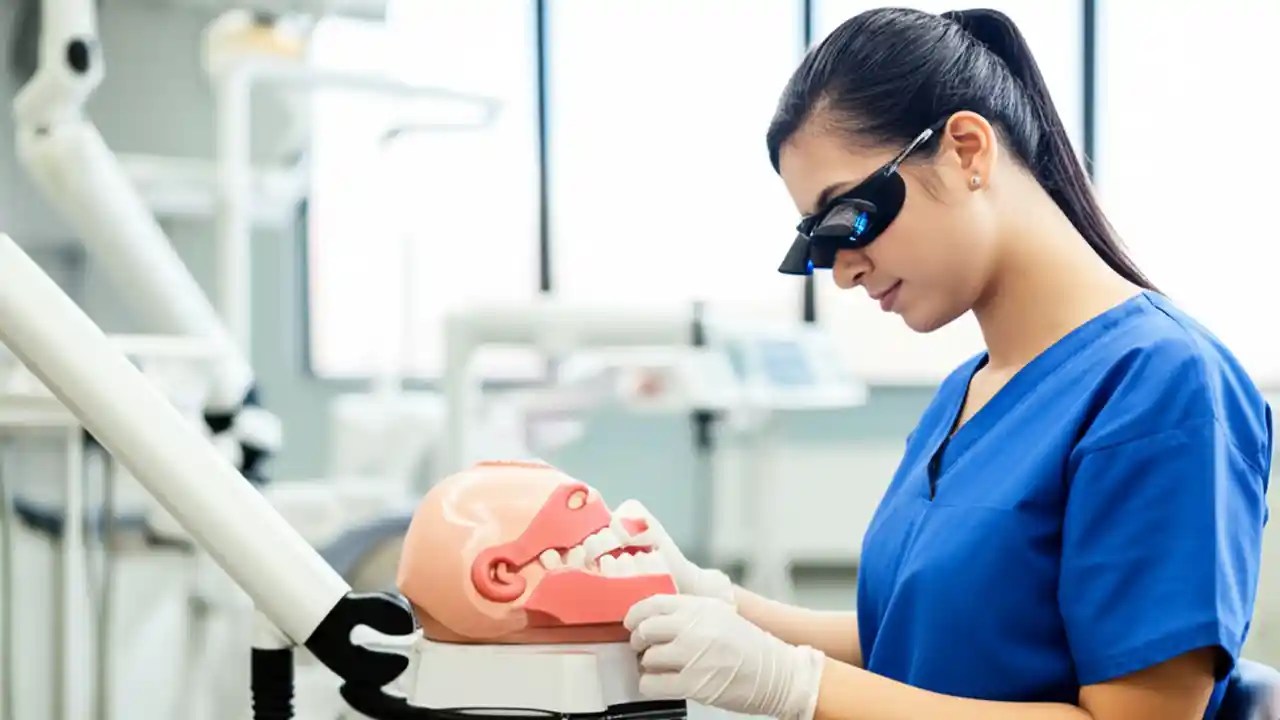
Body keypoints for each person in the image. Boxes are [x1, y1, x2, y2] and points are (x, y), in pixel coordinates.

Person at [620, 7, 1273, 720]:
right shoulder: (968, 392)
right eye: (818, 243)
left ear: (966, 150)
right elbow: (918, 639)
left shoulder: (1162, 386)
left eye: (849, 218)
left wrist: (797, 686)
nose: (843, 272)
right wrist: (715, 600)